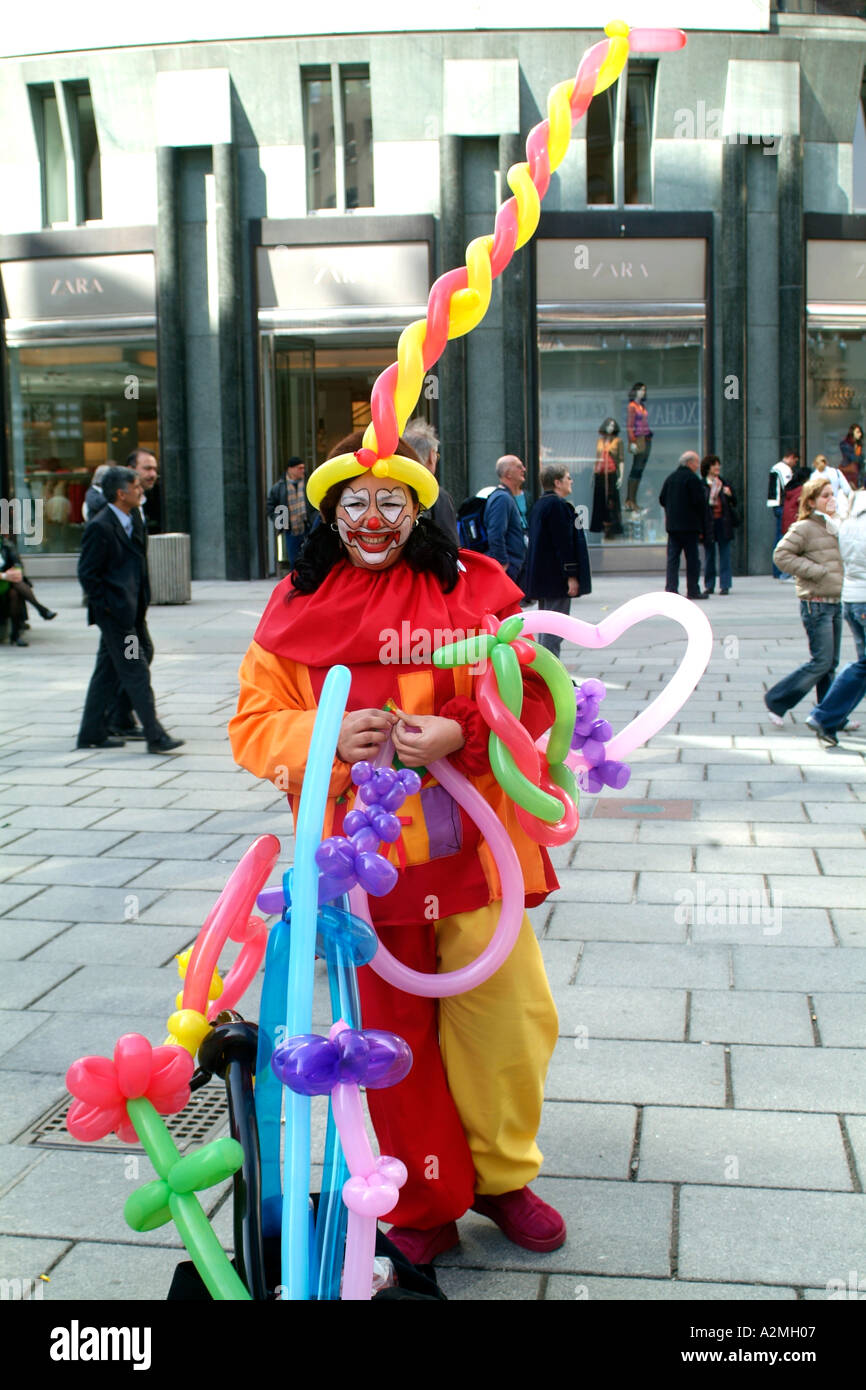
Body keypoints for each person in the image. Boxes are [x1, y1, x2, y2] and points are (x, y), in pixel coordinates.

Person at [229, 431, 565, 1266]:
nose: (372, 519)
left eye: (390, 502)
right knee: (389, 1038)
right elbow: (252, 723)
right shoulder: (294, 610)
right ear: (330, 511)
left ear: (419, 507)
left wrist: (464, 726)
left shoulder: (473, 586)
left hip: (472, 857)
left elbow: (532, 687)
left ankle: (500, 1176)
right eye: (354, 502)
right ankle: (424, 1196)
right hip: (362, 867)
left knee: (510, 1023)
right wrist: (328, 735)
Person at [76, 466, 183, 753]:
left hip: (133, 612)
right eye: (135, 486)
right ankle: (155, 735)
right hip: (116, 617)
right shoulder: (99, 526)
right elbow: (87, 574)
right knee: (135, 670)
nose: (141, 490)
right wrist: (109, 609)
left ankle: (91, 733)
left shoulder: (134, 518)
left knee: (107, 672)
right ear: (121, 493)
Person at [764, 476, 842, 727]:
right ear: (811, 501)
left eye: (832, 494)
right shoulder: (805, 527)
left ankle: (828, 715)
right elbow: (781, 555)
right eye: (825, 496)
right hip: (816, 602)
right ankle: (777, 699)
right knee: (821, 661)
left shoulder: (833, 525)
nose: (831, 499)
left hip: (835, 600)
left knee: (830, 664)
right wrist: (816, 571)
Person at [805, 487, 866, 745]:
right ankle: (824, 715)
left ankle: (827, 718)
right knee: (863, 666)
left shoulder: (850, 519)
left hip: (853, 598)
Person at [523, 464, 592, 658]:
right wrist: (571, 575)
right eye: (568, 478)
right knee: (555, 628)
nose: (571, 481)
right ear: (557, 482)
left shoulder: (540, 504)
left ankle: (546, 670)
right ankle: (548, 673)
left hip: (544, 577)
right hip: (556, 579)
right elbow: (564, 544)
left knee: (547, 625)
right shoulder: (557, 506)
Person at [658, 451, 709, 601]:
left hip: (673, 527)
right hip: (690, 526)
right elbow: (699, 502)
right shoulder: (692, 479)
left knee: (673, 559)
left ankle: (671, 588)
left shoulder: (671, 478)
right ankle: (693, 590)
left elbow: (662, 499)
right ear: (690, 463)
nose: (698, 466)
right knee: (692, 560)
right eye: (696, 462)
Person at [401, 418, 459, 545]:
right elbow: (451, 545)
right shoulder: (437, 496)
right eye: (437, 456)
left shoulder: (391, 489)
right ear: (432, 456)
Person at [0, 529, 56, 646]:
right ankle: (41, 610)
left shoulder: (6, 544)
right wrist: (5, 575)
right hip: (4, 581)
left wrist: (16, 572)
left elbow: (17, 563)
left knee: (15, 593)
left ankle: (16, 634)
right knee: (16, 587)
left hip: (6, 584)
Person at [484, 456, 528, 584]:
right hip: (508, 567)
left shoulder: (506, 497)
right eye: (519, 466)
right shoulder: (502, 499)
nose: (523, 469)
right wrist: (502, 562)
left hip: (513, 564)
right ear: (507, 474)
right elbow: (495, 533)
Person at [700, 455, 738, 595]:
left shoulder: (724, 483)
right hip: (709, 522)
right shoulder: (702, 484)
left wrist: (729, 494)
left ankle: (725, 585)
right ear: (707, 468)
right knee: (709, 555)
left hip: (723, 521)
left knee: (725, 554)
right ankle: (709, 585)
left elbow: (735, 501)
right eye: (714, 465)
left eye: (718, 465)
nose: (717, 467)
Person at [267, 457, 311, 576]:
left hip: (308, 527)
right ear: (290, 469)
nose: (302, 470)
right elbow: (271, 506)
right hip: (291, 529)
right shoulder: (279, 487)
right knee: (294, 559)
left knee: (310, 558)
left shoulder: (309, 483)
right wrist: (280, 521)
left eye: (303, 468)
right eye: (299, 468)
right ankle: (295, 581)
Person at [589, 418, 624, 538]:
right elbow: (596, 458)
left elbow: (621, 460)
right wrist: (592, 475)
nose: (610, 428)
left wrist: (621, 477)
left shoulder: (618, 441)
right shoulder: (600, 441)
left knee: (612, 500)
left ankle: (614, 527)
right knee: (599, 499)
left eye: (612, 426)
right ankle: (599, 526)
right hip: (599, 472)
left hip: (611, 472)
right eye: (609, 425)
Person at [768, 449, 798, 578]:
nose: (795, 464)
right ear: (791, 457)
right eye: (795, 460)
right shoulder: (783, 469)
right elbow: (788, 487)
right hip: (782, 505)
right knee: (782, 537)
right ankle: (780, 570)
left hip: (776, 504)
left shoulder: (775, 468)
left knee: (779, 536)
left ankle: (777, 570)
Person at [625, 382, 652, 511]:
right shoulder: (632, 406)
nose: (642, 392)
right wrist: (633, 440)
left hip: (646, 437)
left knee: (640, 469)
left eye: (644, 390)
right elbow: (630, 424)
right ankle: (630, 499)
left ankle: (633, 500)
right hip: (638, 438)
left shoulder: (642, 406)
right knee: (636, 468)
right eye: (640, 390)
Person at [839, 424, 863, 490]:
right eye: (858, 432)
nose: (860, 434)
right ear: (852, 432)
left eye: (860, 432)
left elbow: (859, 458)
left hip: (857, 472)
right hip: (848, 470)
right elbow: (854, 458)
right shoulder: (845, 444)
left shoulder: (858, 444)